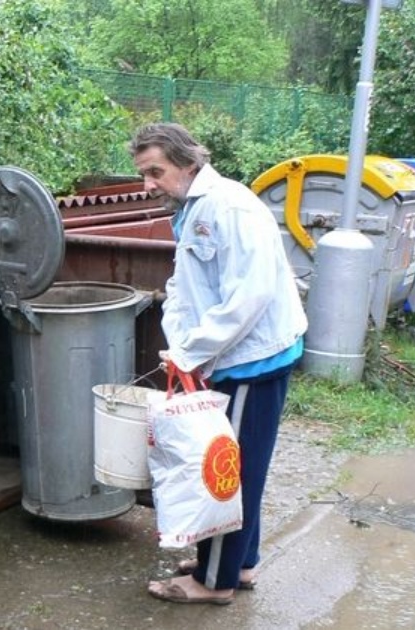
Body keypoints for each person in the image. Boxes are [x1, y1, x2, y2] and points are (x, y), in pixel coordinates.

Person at [130, 123, 308, 606]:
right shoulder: (193, 206)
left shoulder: (224, 206)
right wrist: (181, 346)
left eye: (156, 172)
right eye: (144, 174)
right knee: (240, 465)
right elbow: (187, 287)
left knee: (225, 470)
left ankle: (214, 582)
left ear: (189, 163)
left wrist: (191, 351)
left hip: (252, 358)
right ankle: (238, 563)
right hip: (235, 353)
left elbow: (249, 295)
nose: (149, 184)